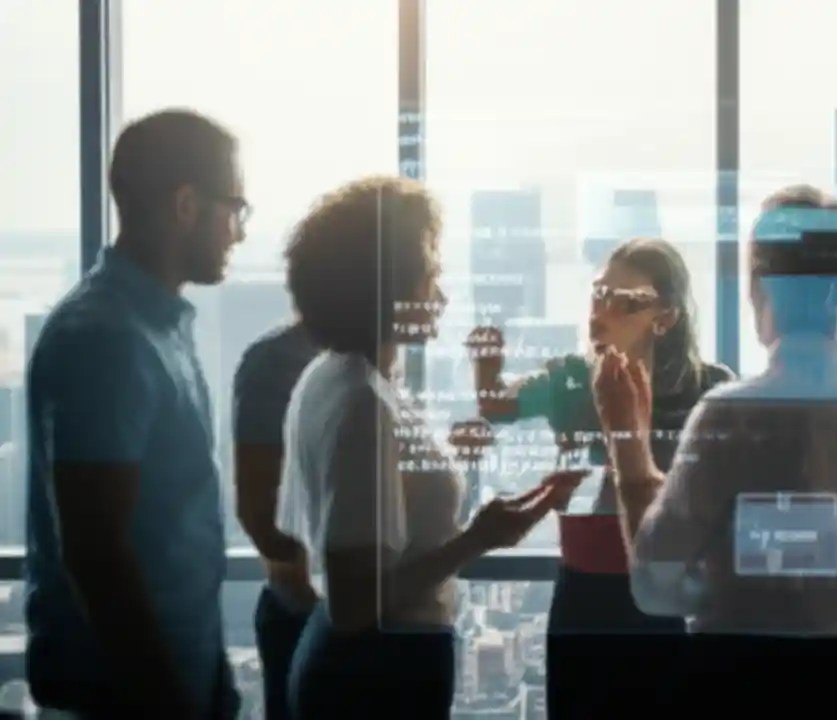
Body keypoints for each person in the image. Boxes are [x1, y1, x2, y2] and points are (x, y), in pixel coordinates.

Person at [594, 185, 837, 717]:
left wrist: (628, 446)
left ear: (756, 287)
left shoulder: (731, 416)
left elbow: (658, 586)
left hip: (738, 682)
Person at [274, 176, 582, 720]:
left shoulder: (339, 377)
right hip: (375, 676)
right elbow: (354, 605)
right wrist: (478, 540)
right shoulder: (362, 402)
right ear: (388, 287)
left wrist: (454, 466)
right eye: (429, 276)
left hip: (369, 666)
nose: (440, 295)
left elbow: (384, 531)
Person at [23, 109, 245, 718]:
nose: (239, 231)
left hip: (166, 681)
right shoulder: (107, 339)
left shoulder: (156, 327)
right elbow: (98, 553)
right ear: (185, 205)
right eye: (235, 208)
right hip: (125, 699)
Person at [468, 236, 735, 719]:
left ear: (665, 318)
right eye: (598, 293)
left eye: (626, 303)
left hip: (672, 593)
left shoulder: (709, 388)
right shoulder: (568, 378)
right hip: (585, 591)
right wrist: (485, 357)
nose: (603, 311)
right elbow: (495, 405)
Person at [232, 320, 319, 720]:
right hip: (310, 623)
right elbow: (262, 518)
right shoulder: (278, 362)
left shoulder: (388, 359)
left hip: (382, 625)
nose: (436, 299)